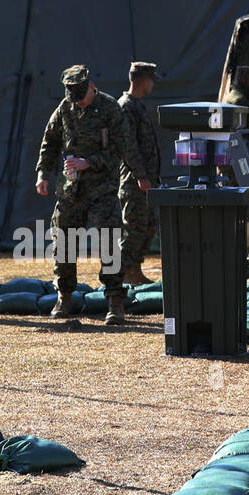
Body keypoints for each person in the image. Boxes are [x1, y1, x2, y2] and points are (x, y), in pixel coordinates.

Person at [35, 65, 139, 326]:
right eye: (74, 97)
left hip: (102, 188)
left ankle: (115, 301)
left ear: (91, 86)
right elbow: (50, 142)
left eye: (81, 96)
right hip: (70, 190)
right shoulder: (65, 108)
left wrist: (89, 162)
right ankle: (65, 297)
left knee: (108, 243)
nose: (78, 102)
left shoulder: (110, 108)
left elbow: (120, 148)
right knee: (64, 244)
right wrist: (43, 174)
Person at [117, 61, 160, 286]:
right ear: (143, 81)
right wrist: (141, 175)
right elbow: (128, 146)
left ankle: (134, 270)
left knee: (147, 225)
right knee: (134, 228)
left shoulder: (137, 105)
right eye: (151, 80)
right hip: (134, 181)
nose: (153, 85)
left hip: (145, 180)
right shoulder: (126, 106)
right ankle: (123, 273)